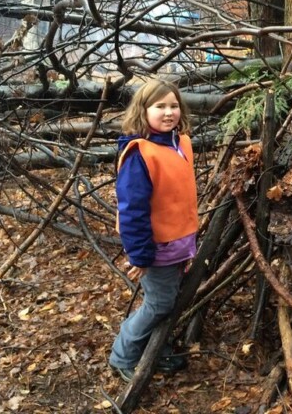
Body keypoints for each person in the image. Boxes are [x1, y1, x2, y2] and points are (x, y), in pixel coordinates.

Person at [109, 80, 199, 382]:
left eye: (173, 105)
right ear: (143, 110)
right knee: (158, 303)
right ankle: (123, 355)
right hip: (156, 246)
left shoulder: (179, 142)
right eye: (159, 106)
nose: (168, 112)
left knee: (167, 299)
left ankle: (153, 348)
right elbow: (132, 210)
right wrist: (140, 255)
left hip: (179, 242)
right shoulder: (139, 154)